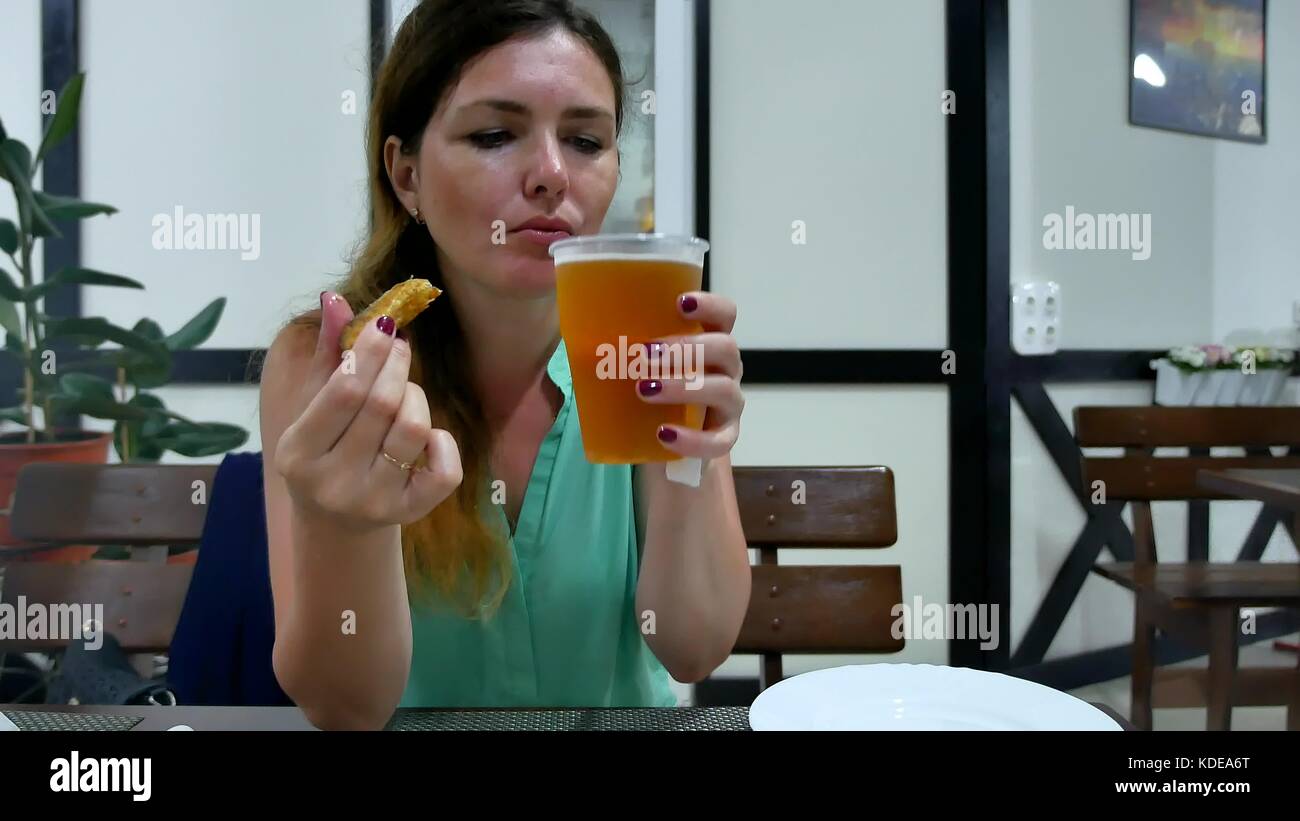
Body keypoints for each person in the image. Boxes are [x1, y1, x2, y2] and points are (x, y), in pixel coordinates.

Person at [258, 0, 751, 731]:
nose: (552, 174)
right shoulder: (330, 366)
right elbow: (345, 708)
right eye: (494, 134)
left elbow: (693, 647)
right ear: (406, 176)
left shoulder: (646, 346)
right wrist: (345, 527)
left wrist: (692, 457)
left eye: (586, 140)